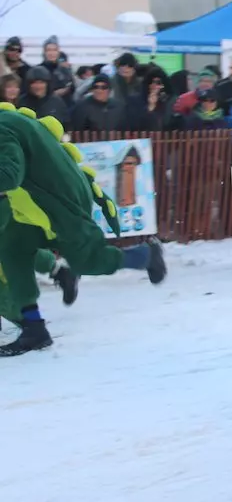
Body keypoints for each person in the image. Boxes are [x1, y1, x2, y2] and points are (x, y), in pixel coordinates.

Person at [0, 104, 166, 356]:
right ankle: (34, 328)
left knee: (89, 261)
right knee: (12, 249)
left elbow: (10, 174)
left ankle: (145, 255)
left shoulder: (3, 129)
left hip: (62, 203)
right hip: (32, 206)